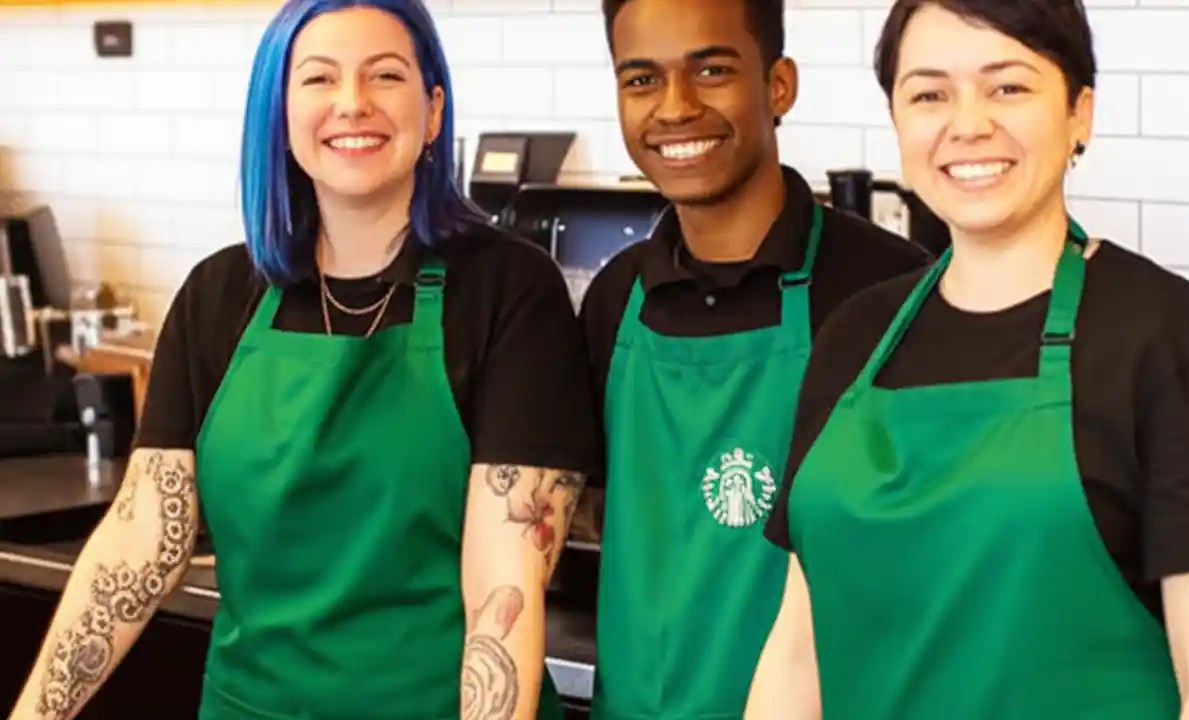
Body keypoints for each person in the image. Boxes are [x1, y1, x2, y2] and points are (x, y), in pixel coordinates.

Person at [7, 1, 597, 718]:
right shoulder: (218, 295)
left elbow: (503, 591)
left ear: (433, 109)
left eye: (385, 75)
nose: (353, 103)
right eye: (318, 79)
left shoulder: (508, 290)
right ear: (280, 116)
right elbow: (141, 540)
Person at [745, 1, 1189, 718]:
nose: (967, 123)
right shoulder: (855, 336)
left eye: (1009, 87)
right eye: (929, 93)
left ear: (1079, 114)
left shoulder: (1172, 344)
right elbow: (797, 646)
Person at [580, 1, 932, 718]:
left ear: (778, 86)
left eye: (710, 70)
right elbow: (586, 513)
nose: (675, 108)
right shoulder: (617, 300)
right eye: (641, 80)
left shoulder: (888, 293)